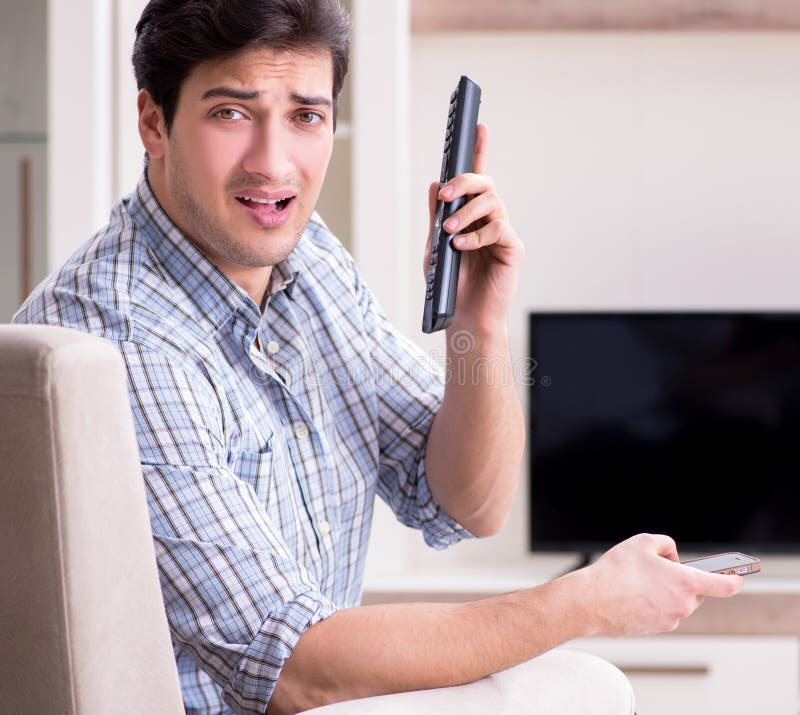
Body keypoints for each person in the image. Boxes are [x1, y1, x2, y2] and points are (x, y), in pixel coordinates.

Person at [13, 1, 744, 713]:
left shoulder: (309, 259)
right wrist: (583, 598)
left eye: (306, 116)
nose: (274, 165)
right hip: (274, 696)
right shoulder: (122, 339)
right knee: (585, 686)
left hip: (313, 692)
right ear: (154, 122)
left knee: (578, 686)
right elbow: (296, 667)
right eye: (231, 112)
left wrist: (476, 326)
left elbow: (467, 503)